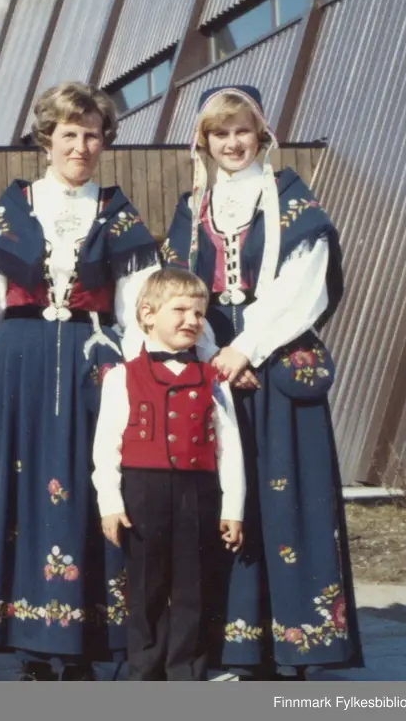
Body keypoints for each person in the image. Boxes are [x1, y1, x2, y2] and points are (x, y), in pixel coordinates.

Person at [0, 81, 160, 681]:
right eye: (69, 133)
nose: (81, 146)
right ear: (47, 139)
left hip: (97, 371)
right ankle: (31, 646)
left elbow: (139, 307)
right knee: (18, 498)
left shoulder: (118, 215)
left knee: (93, 491)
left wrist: (139, 381)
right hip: (17, 371)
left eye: (92, 134)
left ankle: (86, 641)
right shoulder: (8, 215)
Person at [163, 84, 362, 680]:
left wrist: (246, 347)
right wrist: (214, 352)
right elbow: (177, 287)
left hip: (276, 375)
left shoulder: (293, 202)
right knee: (232, 502)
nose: (231, 143)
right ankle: (241, 646)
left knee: (288, 500)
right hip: (218, 375)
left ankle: (298, 644)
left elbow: (305, 285)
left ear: (261, 134)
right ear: (204, 141)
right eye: (219, 134)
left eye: (241, 131)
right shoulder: (192, 209)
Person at [92, 268, 246, 681]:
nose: (192, 321)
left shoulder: (214, 379)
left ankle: (186, 675)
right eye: (180, 310)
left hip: (198, 493)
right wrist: (110, 503)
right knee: (145, 588)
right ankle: (144, 674)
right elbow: (106, 448)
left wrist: (233, 508)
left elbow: (229, 448)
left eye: (199, 313)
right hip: (143, 492)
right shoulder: (123, 376)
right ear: (147, 314)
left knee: (192, 587)